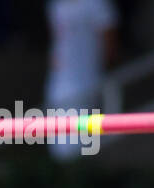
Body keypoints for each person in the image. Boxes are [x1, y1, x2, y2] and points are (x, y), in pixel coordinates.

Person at [46, 0, 118, 158]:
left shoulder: (97, 5)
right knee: (60, 145)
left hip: (86, 82)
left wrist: (105, 71)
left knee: (81, 145)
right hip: (59, 83)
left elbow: (110, 46)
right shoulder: (57, 6)